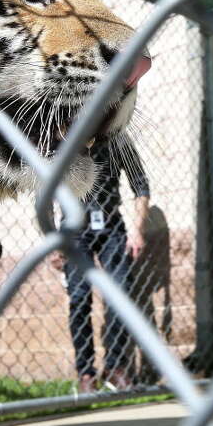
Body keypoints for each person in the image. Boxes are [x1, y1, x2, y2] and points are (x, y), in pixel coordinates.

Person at [52, 135, 150, 394]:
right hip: (74, 232)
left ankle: (115, 368)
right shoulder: (59, 143)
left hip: (111, 228)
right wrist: (52, 239)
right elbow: (44, 191)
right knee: (80, 298)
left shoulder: (118, 140)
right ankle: (86, 373)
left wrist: (137, 231)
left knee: (120, 295)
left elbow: (140, 186)